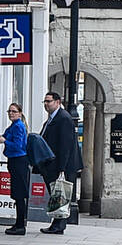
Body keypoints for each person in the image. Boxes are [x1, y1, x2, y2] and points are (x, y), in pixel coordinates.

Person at [39, 90, 83, 235]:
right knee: (56, 195)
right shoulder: (51, 118)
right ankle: (56, 223)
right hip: (53, 163)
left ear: (57, 102)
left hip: (61, 165)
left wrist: (62, 168)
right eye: (44, 102)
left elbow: (65, 145)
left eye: (49, 101)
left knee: (60, 195)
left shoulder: (63, 118)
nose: (46, 104)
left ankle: (59, 225)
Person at [2, 104, 30, 234]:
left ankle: (20, 225)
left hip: (19, 161)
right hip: (14, 161)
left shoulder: (18, 126)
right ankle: (18, 223)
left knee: (19, 194)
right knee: (17, 193)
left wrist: (5, 141)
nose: (11, 113)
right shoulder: (13, 126)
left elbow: (18, 146)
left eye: (14, 111)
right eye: (9, 111)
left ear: (19, 113)